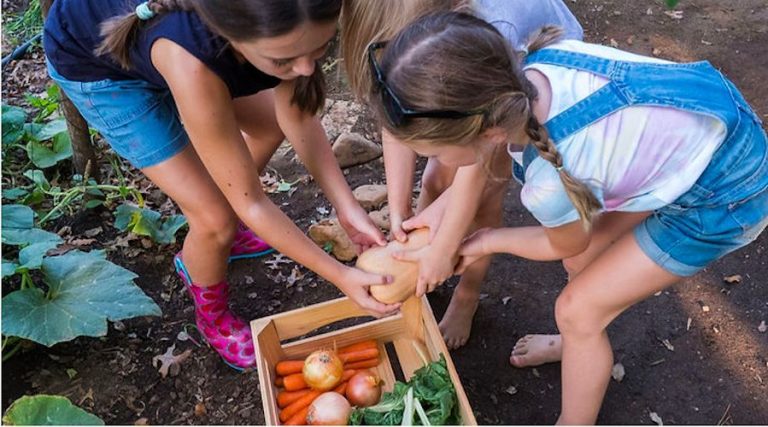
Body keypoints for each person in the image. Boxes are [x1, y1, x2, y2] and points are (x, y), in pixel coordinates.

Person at [367, 11, 768, 423]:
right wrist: (440, 230)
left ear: (486, 132)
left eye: (433, 153)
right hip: (700, 126)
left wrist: (483, 241)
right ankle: (575, 343)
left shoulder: (549, 181)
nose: (433, 162)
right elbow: (477, 164)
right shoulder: (524, 78)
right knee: (582, 265)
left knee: (577, 309)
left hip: (723, 192)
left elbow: (565, 240)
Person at [43, 0, 401, 371]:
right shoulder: (193, 62)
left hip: (174, 49)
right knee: (215, 219)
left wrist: (347, 206)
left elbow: (296, 115)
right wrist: (339, 275)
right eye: (283, 61)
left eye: (320, 48)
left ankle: (217, 239)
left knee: (266, 128)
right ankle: (212, 315)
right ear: (232, 36)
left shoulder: (290, 20)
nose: (306, 68)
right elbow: (254, 204)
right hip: (98, 65)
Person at [340, 0, 584, 349]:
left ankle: (467, 294)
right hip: (478, 93)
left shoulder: (494, 35)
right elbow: (396, 126)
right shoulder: (420, 50)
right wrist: (399, 211)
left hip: (521, 83)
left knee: (484, 198)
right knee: (434, 181)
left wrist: (445, 248)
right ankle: (419, 262)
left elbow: (479, 170)